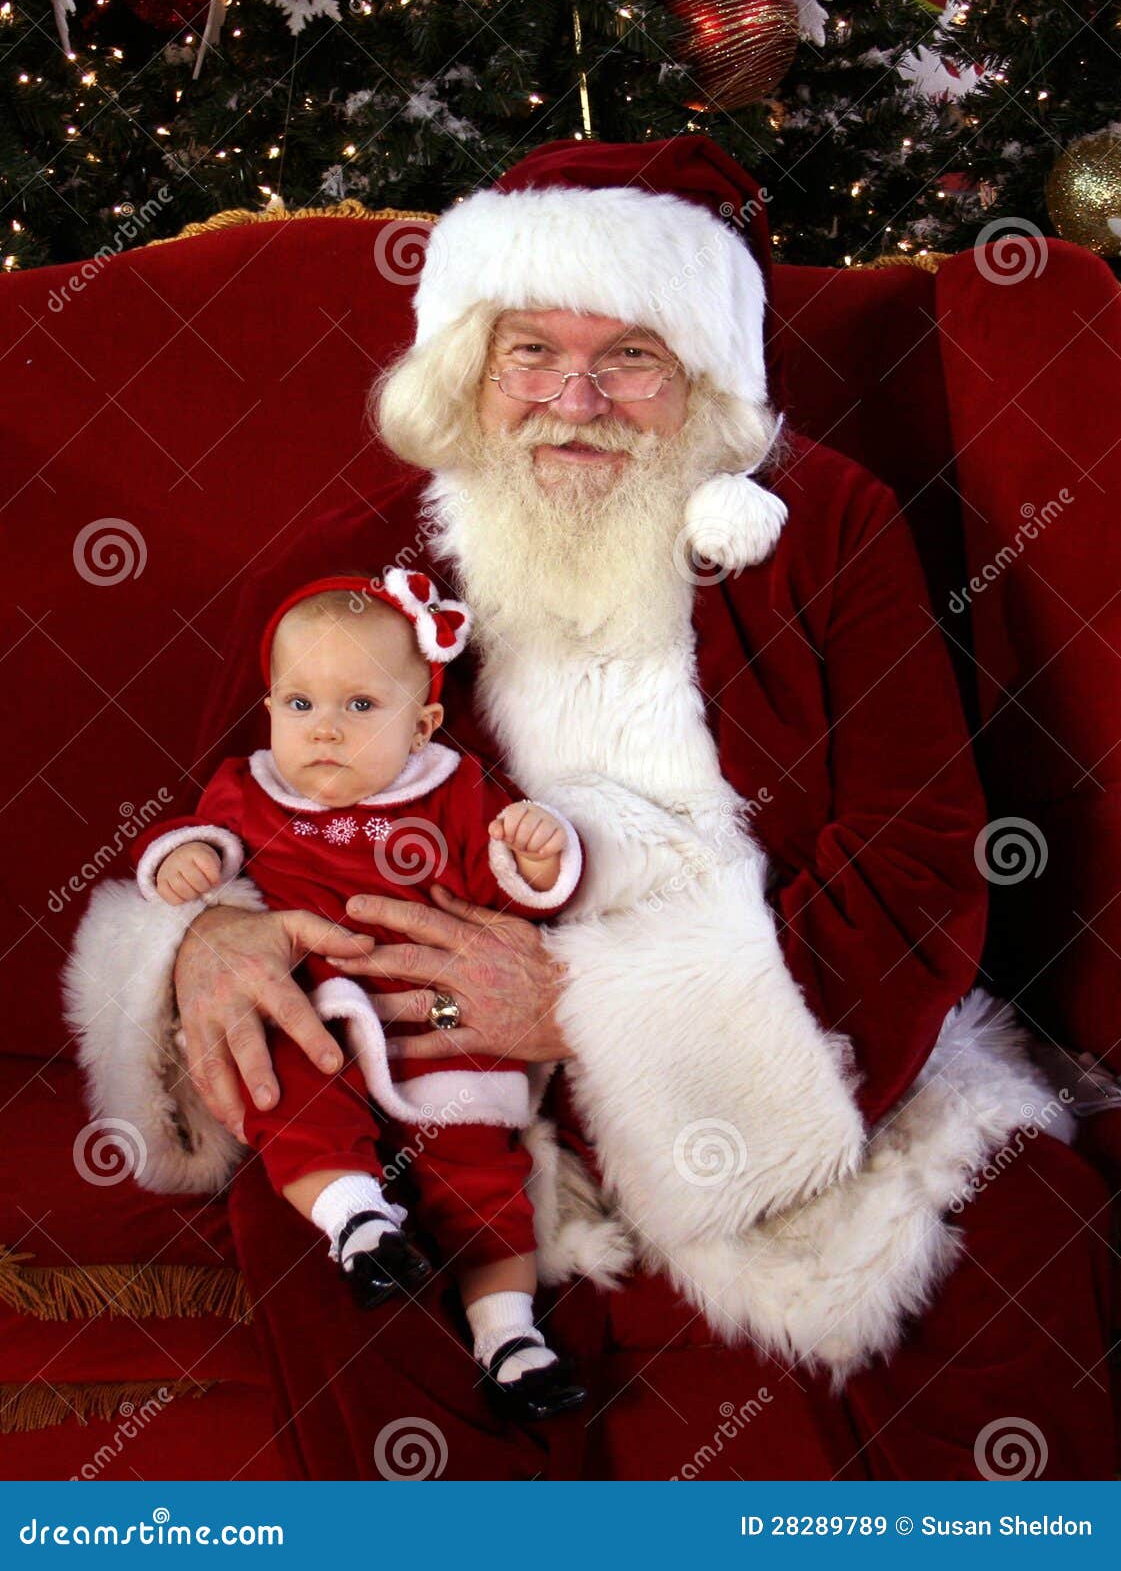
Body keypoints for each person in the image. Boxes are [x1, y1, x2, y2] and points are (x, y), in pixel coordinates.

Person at [63, 135, 1117, 1480]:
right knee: (334, 1248)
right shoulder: (355, 566)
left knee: (1021, 1240)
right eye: (529, 352)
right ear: (470, 366)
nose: (576, 397)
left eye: (630, 353)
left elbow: (917, 852)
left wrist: (591, 1013)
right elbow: (228, 815)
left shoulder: (829, 525)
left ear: (702, 380)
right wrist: (203, 939)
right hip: (427, 1065)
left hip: (791, 1034)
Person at [125, 564, 588, 1422]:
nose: (324, 731)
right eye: (299, 705)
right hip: (316, 1013)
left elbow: (514, 894)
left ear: (424, 725)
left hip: (442, 1019)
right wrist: (181, 858)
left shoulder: (454, 791)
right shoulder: (249, 792)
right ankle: (357, 1222)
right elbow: (193, 847)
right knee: (287, 1100)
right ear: (268, 711)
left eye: (359, 707)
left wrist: (535, 853)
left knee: (484, 1174)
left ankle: (509, 1334)